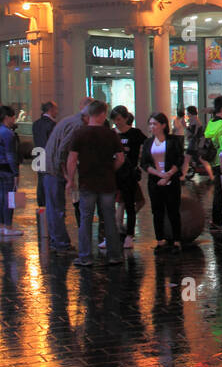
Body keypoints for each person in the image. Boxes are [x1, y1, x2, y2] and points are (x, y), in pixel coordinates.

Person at [66, 100, 124, 266]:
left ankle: (85, 256)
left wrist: (70, 180)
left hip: (87, 183)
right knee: (110, 219)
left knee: (85, 220)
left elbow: (71, 159)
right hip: (107, 182)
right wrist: (111, 169)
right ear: (102, 115)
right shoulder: (111, 134)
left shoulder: (80, 133)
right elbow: (120, 158)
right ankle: (114, 255)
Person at [40, 96, 94, 251]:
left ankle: (57, 241)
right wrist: (67, 176)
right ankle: (60, 243)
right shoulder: (77, 125)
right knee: (56, 207)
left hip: (51, 168)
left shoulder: (71, 121)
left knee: (54, 207)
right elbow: (63, 151)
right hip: (54, 169)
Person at [140, 113, 184, 251]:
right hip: (155, 181)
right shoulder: (148, 142)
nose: (152, 127)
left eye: (155, 124)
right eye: (150, 124)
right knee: (157, 211)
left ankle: (177, 240)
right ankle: (160, 239)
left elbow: (179, 159)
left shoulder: (173, 141)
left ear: (163, 125)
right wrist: (159, 174)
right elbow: (144, 163)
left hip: (172, 180)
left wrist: (169, 175)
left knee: (173, 210)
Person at [108, 107, 146, 249]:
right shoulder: (111, 134)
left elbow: (147, 144)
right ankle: (113, 234)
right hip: (114, 174)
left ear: (125, 118)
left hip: (128, 174)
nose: (116, 123)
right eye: (114, 120)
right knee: (113, 205)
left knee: (129, 204)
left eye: (119, 119)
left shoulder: (135, 133)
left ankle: (129, 235)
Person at [205, 96, 222, 228]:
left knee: (218, 191)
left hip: (212, 161)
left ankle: (216, 219)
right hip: (221, 163)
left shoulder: (211, 123)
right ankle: (218, 220)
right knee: (221, 193)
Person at [32, 100, 58, 210]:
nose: (57, 111)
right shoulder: (52, 125)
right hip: (48, 156)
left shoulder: (36, 123)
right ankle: (49, 204)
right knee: (49, 180)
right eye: (56, 109)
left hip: (38, 154)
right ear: (51, 110)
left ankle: (41, 205)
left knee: (41, 181)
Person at [0, 105, 21, 237]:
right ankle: (8, 226)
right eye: (13, 116)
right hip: (7, 169)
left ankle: (2, 226)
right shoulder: (8, 133)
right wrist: (16, 173)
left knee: (1, 197)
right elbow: (11, 154)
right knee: (11, 198)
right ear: (7, 117)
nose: (14, 119)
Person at [183, 104, 211, 182]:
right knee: (194, 158)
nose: (187, 114)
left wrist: (185, 127)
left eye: (188, 112)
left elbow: (194, 133)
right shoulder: (195, 119)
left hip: (194, 143)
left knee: (189, 158)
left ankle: (183, 175)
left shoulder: (194, 120)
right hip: (195, 142)